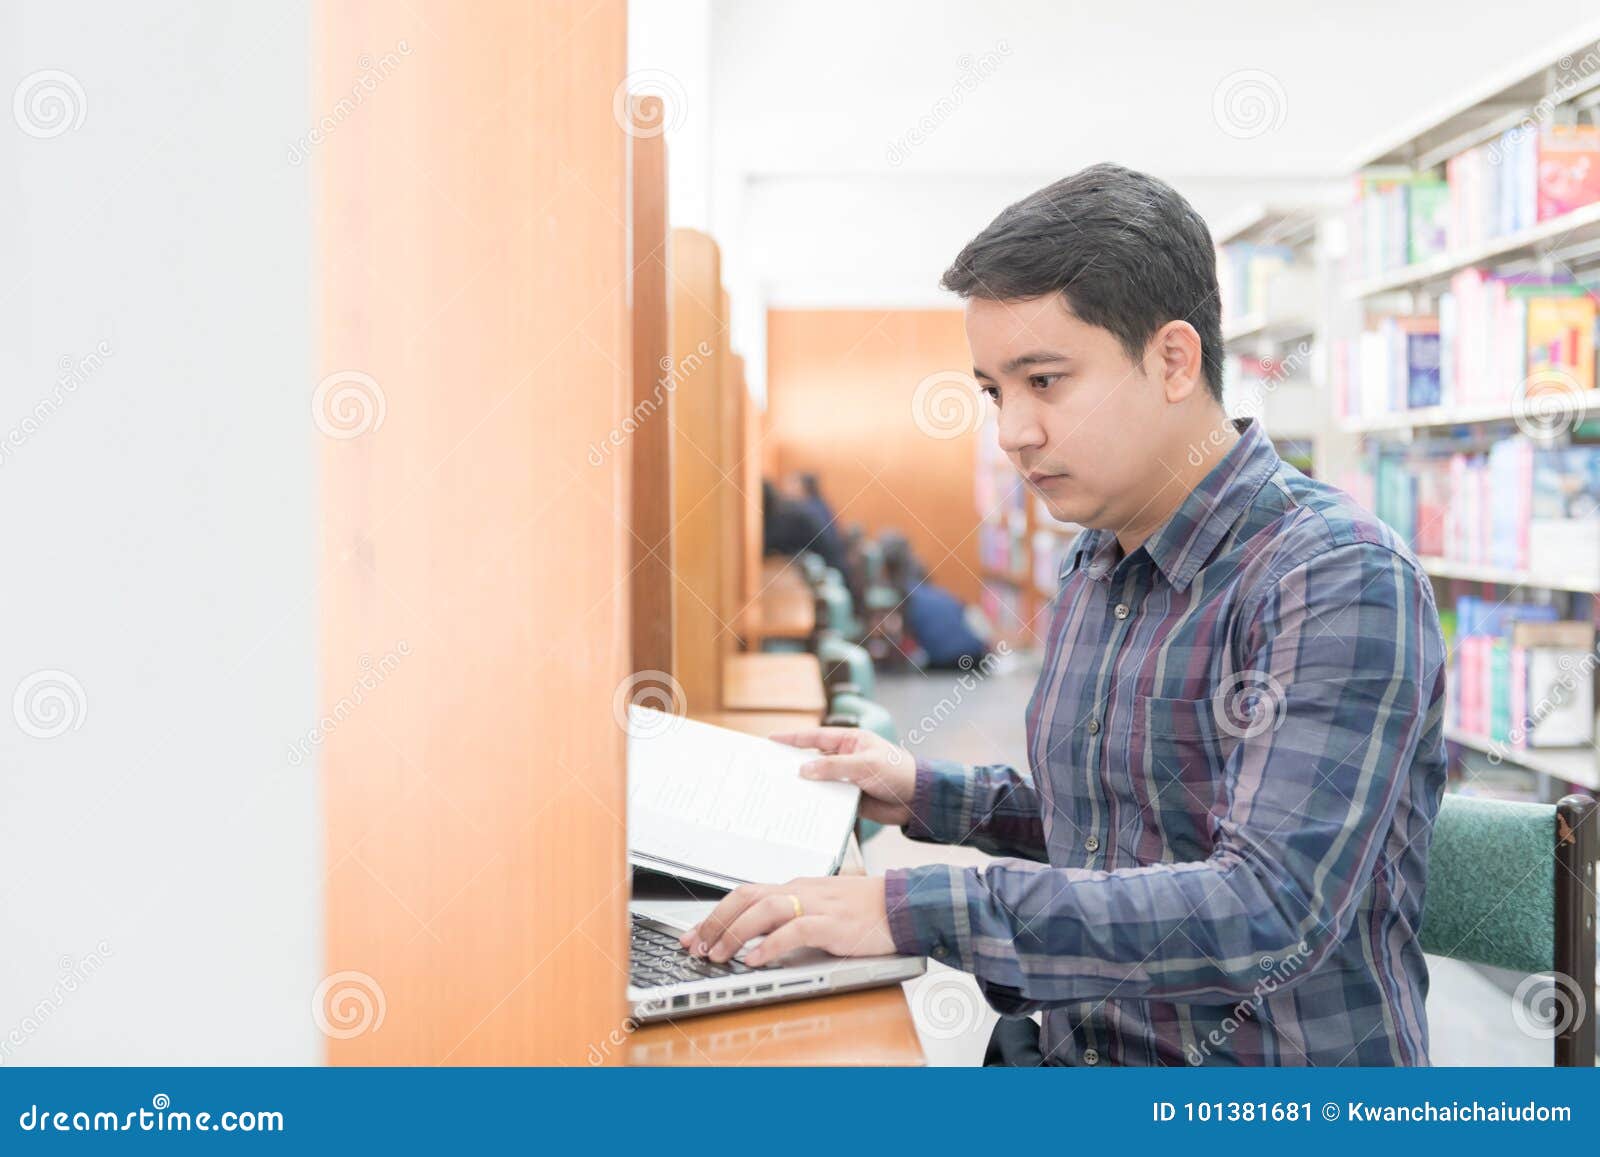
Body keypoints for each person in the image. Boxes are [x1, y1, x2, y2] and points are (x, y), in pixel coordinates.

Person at [681, 163, 1448, 1066]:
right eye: (994, 392)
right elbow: (1121, 828)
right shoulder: (1095, 557)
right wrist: (926, 791)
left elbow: (1266, 908)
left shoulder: (1335, 576)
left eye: (1044, 381)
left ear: (1173, 360)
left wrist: (912, 907)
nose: (1013, 431)